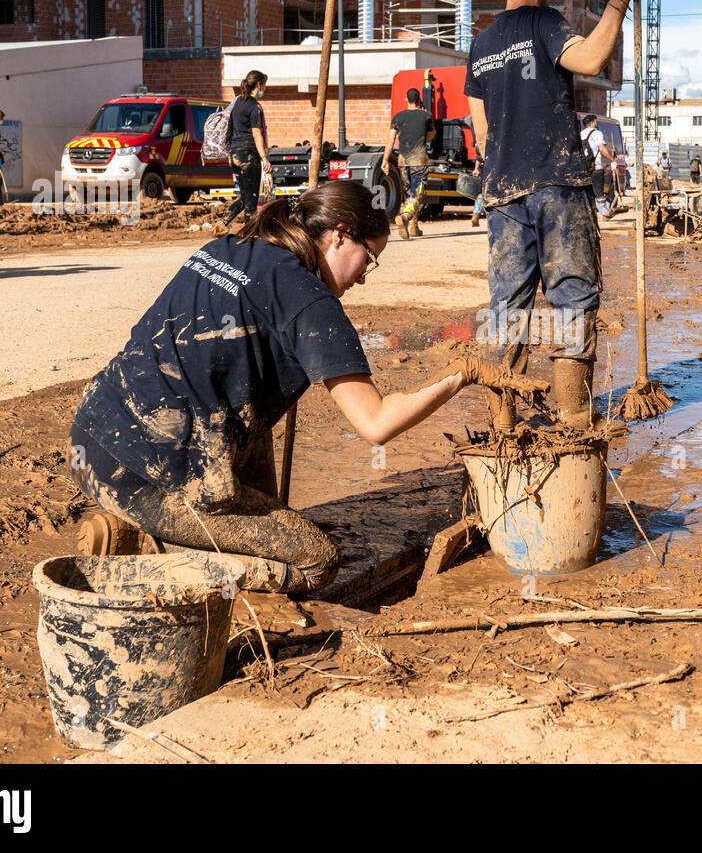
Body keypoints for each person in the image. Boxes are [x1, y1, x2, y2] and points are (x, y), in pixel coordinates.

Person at [69, 180, 544, 591]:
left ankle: (158, 525)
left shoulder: (228, 248)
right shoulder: (310, 302)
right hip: (150, 478)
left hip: (91, 437)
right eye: (369, 259)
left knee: (248, 439)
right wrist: (463, 374)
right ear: (340, 236)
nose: (364, 277)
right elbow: (376, 425)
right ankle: (166, 556)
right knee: (316, 560)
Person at [465, 0, 646, 431]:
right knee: (571, 297)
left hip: (503, 193)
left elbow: (481, 132)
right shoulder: (545, 23)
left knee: (507, 309)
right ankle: (572, 420)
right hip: (558, 186)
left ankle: (502, 427)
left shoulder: (480, 46)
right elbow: (588, 61)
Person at [382, 87, 435, 240]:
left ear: (406, 99)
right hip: (419, 160)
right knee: (418, 194)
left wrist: (385, 160)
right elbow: (432, 135)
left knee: (409, 194)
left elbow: (391, 140)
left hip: (402, 161)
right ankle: (405, 218)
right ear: (419, 100)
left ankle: (414, 227)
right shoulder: (426, 115)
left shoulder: (397, 117)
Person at [222, 69, 270, 227]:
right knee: (252, 202)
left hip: (234, 155)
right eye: (264, 85)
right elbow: (257, 134)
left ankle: (222, 223)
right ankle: (250, 238)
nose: (265, 89)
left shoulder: (237, 103)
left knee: (244, 198)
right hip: (248, 156)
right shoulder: (254, 106)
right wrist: (264, 158)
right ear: (258, 85)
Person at [579, 114, 615, 219]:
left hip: (584, 169)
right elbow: (602, 149)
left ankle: (593, 214)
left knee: (589, 194)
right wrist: (612, 159)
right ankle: (605, 212)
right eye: (596, 122)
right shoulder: (597, 133)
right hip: (596, 168)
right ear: (593, 122)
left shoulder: (580, 134)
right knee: (600, 193)